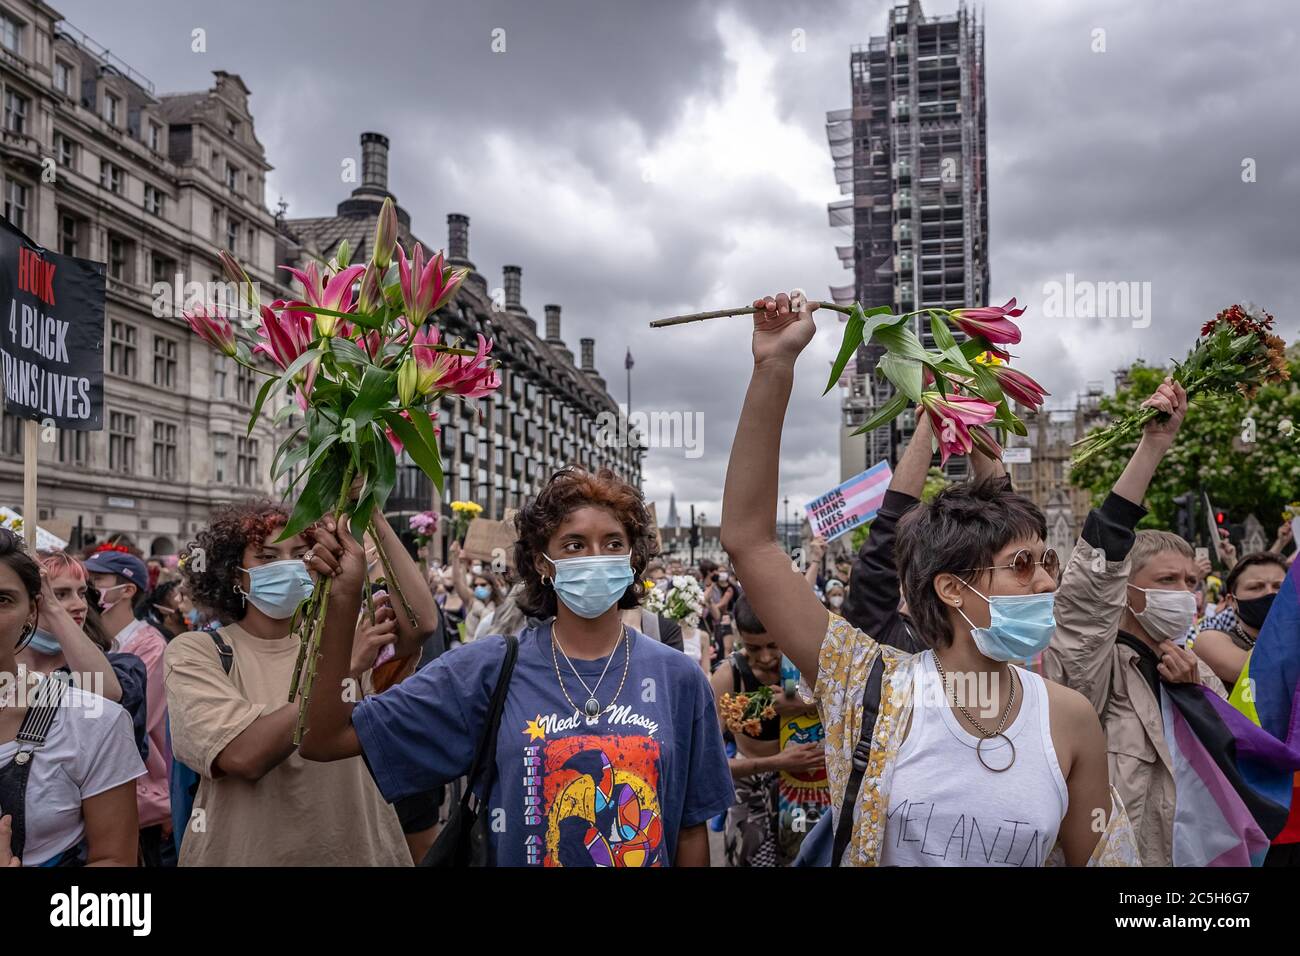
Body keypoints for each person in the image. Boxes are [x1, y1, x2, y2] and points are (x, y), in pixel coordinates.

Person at [721, 291, 1131, 867]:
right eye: (1021, 565)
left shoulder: (1069, 718)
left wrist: (976, 398)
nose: (1044, 583)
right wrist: (774, 366)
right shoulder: (866, 684)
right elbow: (749, 541)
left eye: (1047, 563)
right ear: (951, 588)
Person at [300, 466, 735, 866]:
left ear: (632, 560)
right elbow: (324, 737)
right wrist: (341, 604)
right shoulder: (488, 669)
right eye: (574, 544)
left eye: (613, 543)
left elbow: (690, 830)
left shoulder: (679, 678)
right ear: (544, 562)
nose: (595, 556)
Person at [1042, 376, 1238, 867]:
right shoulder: (1092, 669)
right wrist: (1152, 447)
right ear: (1125, 591)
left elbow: (1229, 768)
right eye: (1167, 579)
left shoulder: (1196, 670)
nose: (1184, 594)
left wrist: (1198, 697)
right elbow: (1088, 597)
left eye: (1190, 581)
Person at [166, 499, 427, 866]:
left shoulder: (348, 633)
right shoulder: (197, 652)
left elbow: (421, 626)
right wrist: (346, 667)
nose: (288, 566)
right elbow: (243, 756)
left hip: (359, 853)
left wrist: (371, 514)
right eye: (267, 557)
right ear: (235, 574)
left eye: (301, 553)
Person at [0, 529, 144, 866]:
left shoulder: (92, 720)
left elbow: (113, 860)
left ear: (33, 611)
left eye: (1, 599)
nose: (77, 604)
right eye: (62, 593)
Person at [710, 595, 824, 866]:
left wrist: (806, 703)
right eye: (753, 648)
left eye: (774, 645)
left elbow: (857, 705)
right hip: (752, 790)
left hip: (809, 792)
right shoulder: (729, 676)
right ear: (739, 636)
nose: (765, 657)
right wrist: (777, 762)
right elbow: (710, 764)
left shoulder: (808, 665)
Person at [83, 548, 172, 866]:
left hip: (137, 800)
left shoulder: (150, 646)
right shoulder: (85, 640)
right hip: (90, 797)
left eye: (97, 580)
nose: (89, 588)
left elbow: (129, 721)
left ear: (128, 589)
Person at [1192, 552, 1288, 687]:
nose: (1270, 593)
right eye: (1256, 587)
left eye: (1279, 587)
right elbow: (1261, 673)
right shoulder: (1210, 641)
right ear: (1232, 601)